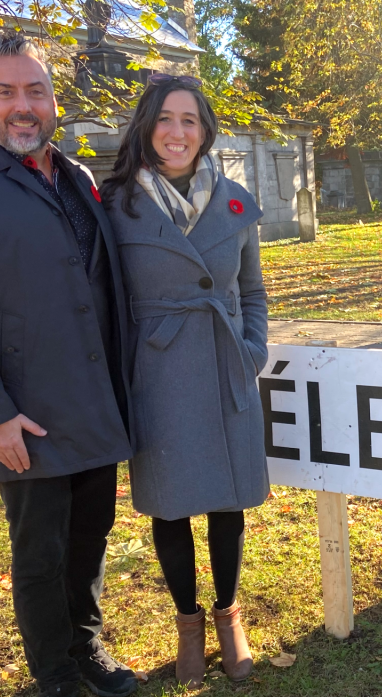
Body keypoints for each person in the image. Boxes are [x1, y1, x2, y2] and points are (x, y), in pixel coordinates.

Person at [0, 30, 137, 697]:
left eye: (34, 90)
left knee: (92, 532)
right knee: (40, 548)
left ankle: (85, 643)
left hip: (96, 397)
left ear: (53, 101)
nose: (21, 105)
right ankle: (54, 671)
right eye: (4, 92)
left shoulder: (78, 177)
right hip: (26, 409)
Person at [100, 75, 270, 687]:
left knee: (228, 501)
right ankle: (188, 623)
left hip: (226, 361)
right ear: (147, 126)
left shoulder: (234, 202)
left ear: (205, 131)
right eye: (166, 119)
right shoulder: (114, 204)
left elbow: (251, 290)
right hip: (159, 370)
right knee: (170, 507)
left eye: (190, 121)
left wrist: (252, 350)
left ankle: (229, 616)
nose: (177, 133)